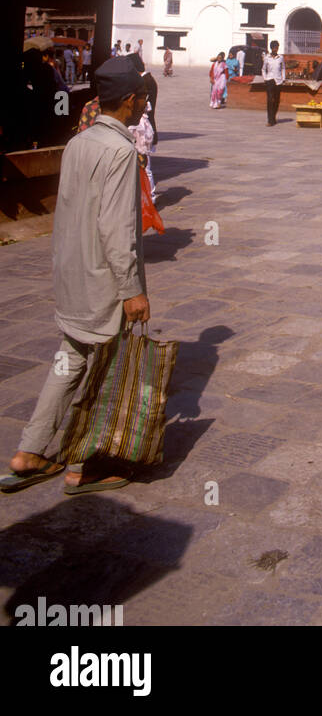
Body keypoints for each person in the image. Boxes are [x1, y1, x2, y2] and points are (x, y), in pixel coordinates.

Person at [0, 57, 151, 497]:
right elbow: (117, 227)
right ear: (128, 102)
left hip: (72, 277)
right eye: (141, 98)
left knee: (69, 361)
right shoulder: (120, 150)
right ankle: (86, 464)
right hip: (105, 281)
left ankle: (29, 451)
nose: (144, 104)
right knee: (107, 370)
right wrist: (132, 290)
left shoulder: (78, 143)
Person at [261, 41, 285, 124]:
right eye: (274, 47)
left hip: (278, 81)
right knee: (270, 100)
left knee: (277, 100)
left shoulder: (280, 58)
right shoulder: (267, 58)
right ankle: (270, 120)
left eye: (277, 47)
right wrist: (265, 78)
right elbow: (263, 69)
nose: (276, 49)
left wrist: (283, 78)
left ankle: (273, 117)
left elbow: (283, 68)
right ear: (271, 48)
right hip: (270, 80)